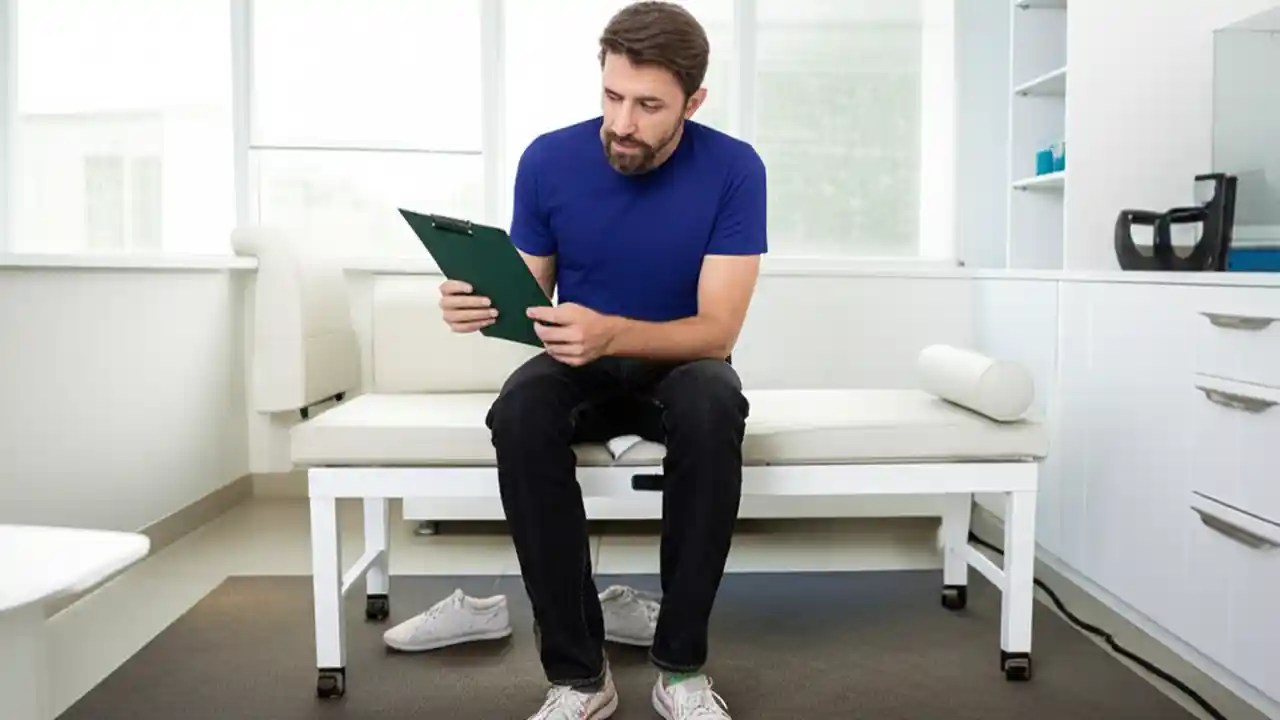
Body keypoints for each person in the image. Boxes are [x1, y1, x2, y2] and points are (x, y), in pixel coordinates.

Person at [438, 2, 766, 718]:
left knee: (715, 402)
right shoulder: (548, 158)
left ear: (694, 102)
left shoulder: (735, 169)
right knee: (519, 408)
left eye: (649, 105)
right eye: (613, 96)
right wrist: (477, 303)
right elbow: (528, 294)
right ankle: (580, 677)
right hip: (579, 360)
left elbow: (716, 331)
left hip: (679, 364)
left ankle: (680, 669)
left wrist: (614, 333)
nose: (623, 122)